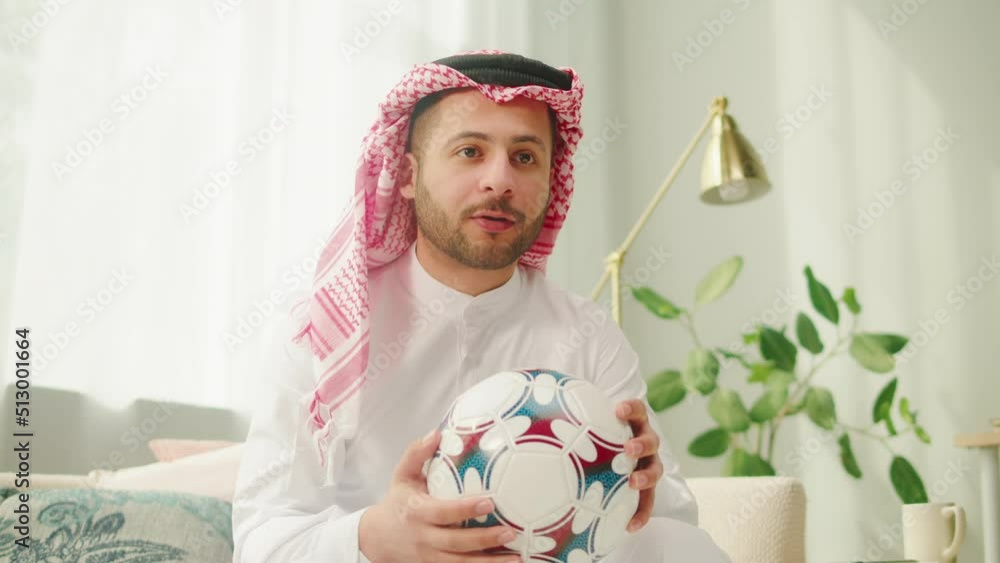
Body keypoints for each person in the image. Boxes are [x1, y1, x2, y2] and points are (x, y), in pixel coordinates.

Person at [232, 51, 731, 563]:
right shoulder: (321, 331)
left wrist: (636, 493)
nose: (500, 181)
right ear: (406, 174)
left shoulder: (588, 335)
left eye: (524, 157)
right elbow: (261, 543)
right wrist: (375, 536)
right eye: (470, 151)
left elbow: (669, 525)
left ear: (550, 180)